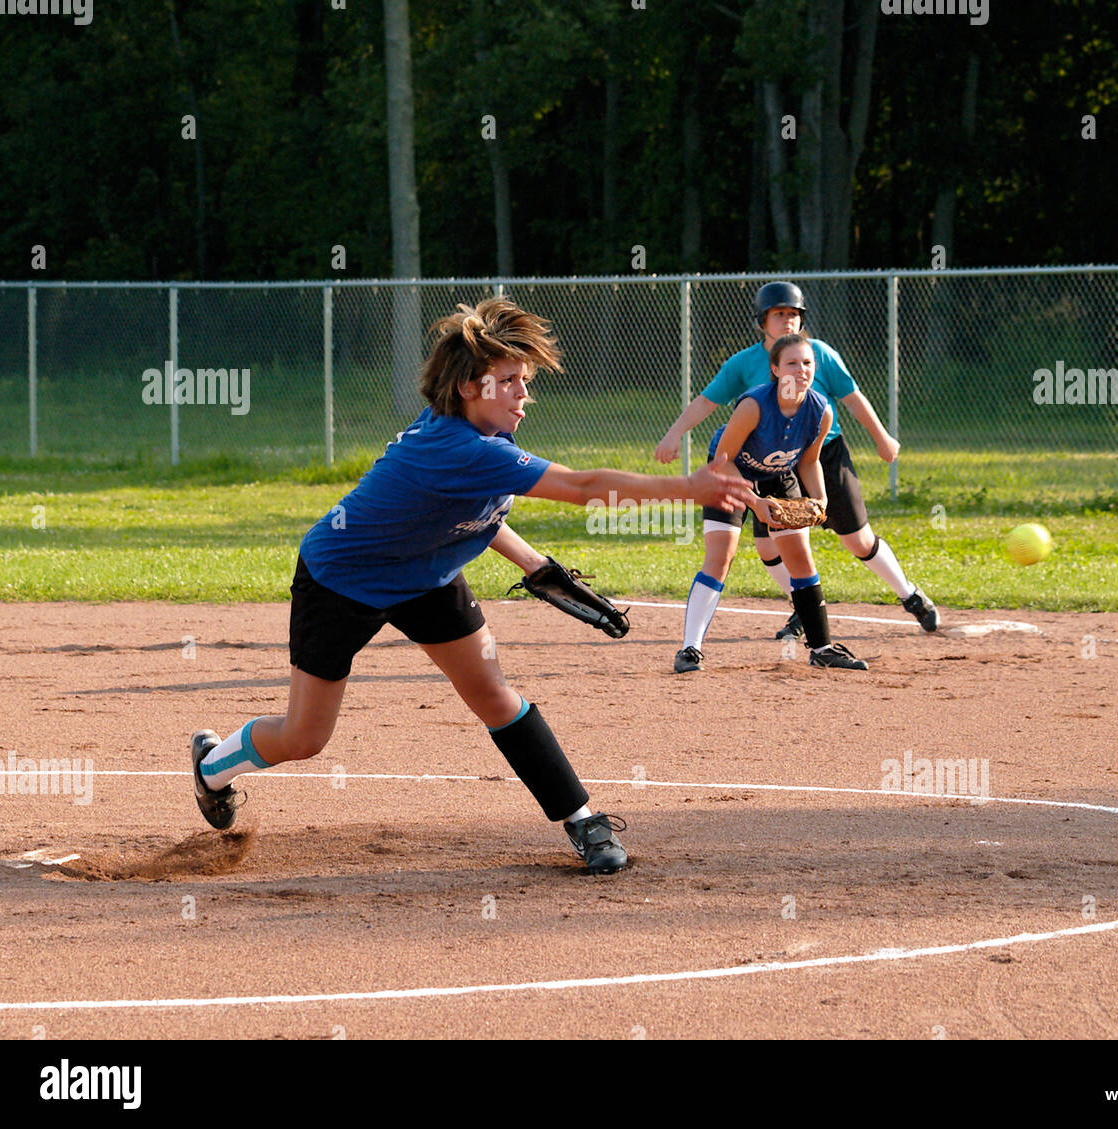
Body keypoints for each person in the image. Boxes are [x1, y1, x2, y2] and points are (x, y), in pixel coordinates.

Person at [189, 299, 751, 875]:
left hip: (427, 577)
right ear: (465, 387)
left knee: (493, 694)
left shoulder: (483, 446)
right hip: (342, 581)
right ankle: (213, 764)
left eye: (524, 382)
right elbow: (582, 486)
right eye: (506, 381)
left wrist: (536, 565)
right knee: (306, 737)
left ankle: (582, 819)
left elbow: (476, 515)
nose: (522, 395)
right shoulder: (459, 448)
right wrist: (689, 486)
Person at [656, 280, 938, 640]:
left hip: (821, 453)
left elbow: (851, 397)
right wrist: (673, 433)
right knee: (768, 546)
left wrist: (881, 437)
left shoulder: (817, 353)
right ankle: (802, 608)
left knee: (856, 540)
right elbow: (707, 401)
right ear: (762, 321)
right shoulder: (744, 363)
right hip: (764, 462)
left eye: (793, 314)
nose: (788, 321)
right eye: (779, 314)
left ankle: (910, 595)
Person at [675, 332, 867, 673]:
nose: (801, 370)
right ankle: (690, 649)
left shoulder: (821, 411)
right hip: (729, 471)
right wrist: (754, 502)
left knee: (801, 561)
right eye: (791, 363)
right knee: (721, 557)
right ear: (775, 370)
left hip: (779, 474)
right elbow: (724, 458)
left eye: (807, 363)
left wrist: (819, 499)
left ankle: (821, 648)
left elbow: (808, 461)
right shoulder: (754, 405)